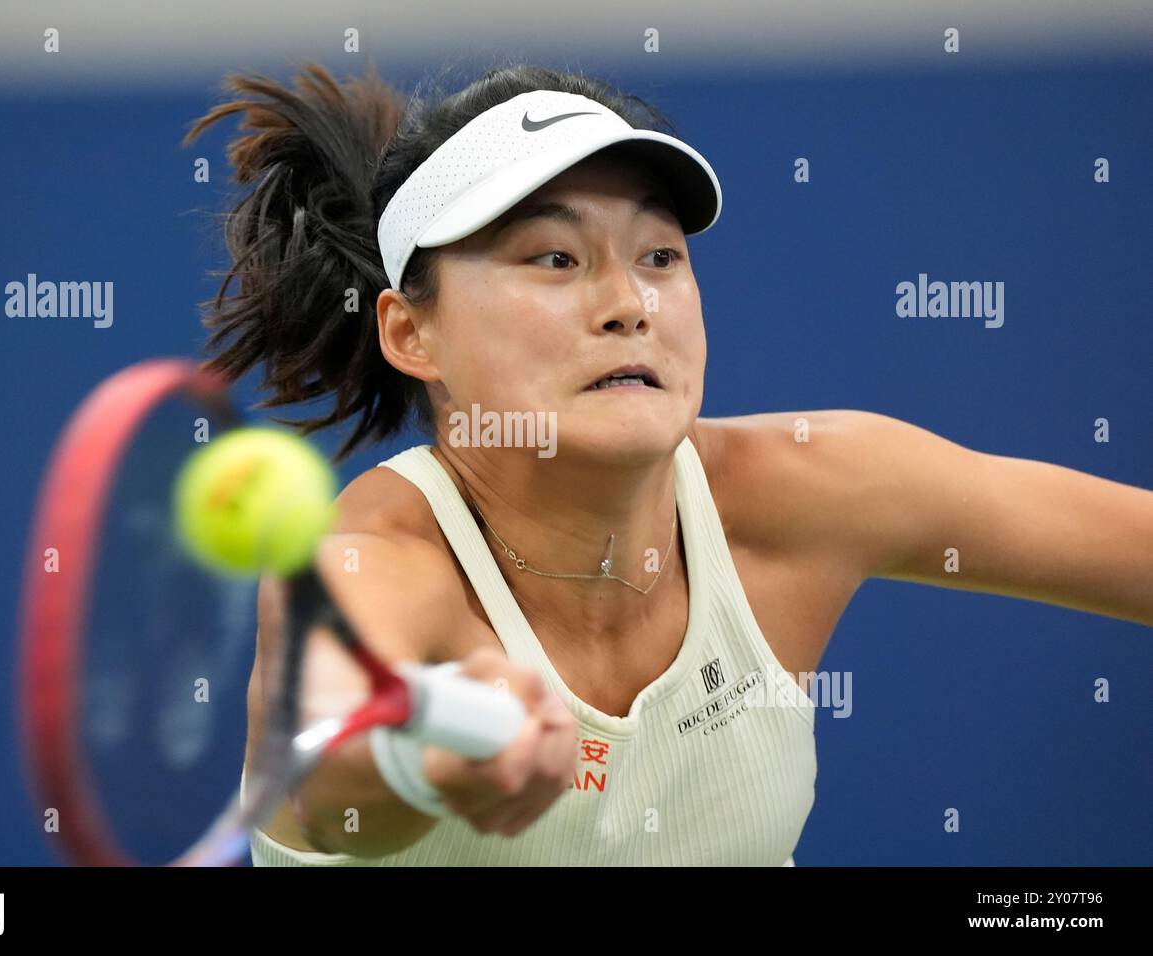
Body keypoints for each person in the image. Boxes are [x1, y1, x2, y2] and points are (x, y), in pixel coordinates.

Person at [183, 59, 1153, 866]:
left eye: (658, 256)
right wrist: (426, 759)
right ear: (410, 332)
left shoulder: (814, 485)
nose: (629, 305)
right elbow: (329, 769)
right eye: (554, 259)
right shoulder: (371, 558)